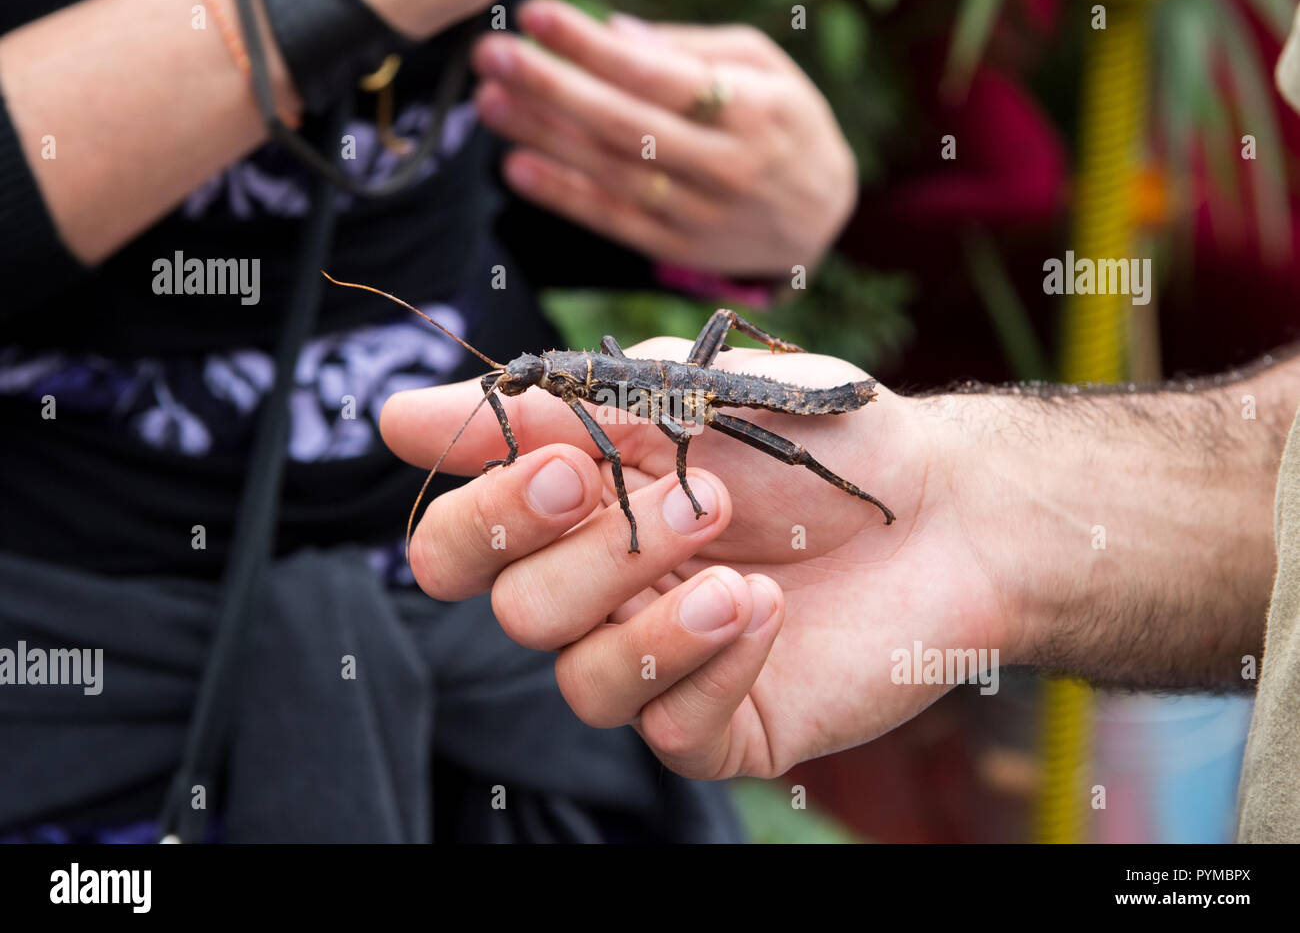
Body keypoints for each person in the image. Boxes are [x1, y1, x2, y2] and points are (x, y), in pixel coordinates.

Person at [0, 0, 858, 842]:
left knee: (746, 431)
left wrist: (744, 213)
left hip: (517, 674)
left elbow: (459, 203)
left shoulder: (590, 388)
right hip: (80, 693)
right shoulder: (576, 391)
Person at [381, 336, 1300, 842]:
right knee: (687, 452)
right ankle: (855, 491)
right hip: (697, 398)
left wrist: (631, 523)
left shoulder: (607, 389)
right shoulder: (588, 388)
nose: (524, 384)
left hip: (717, 394)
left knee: (719, 444)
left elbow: (632, 452)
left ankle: (853, 487)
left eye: (531, 376)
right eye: (525, 381)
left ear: (566, 376)